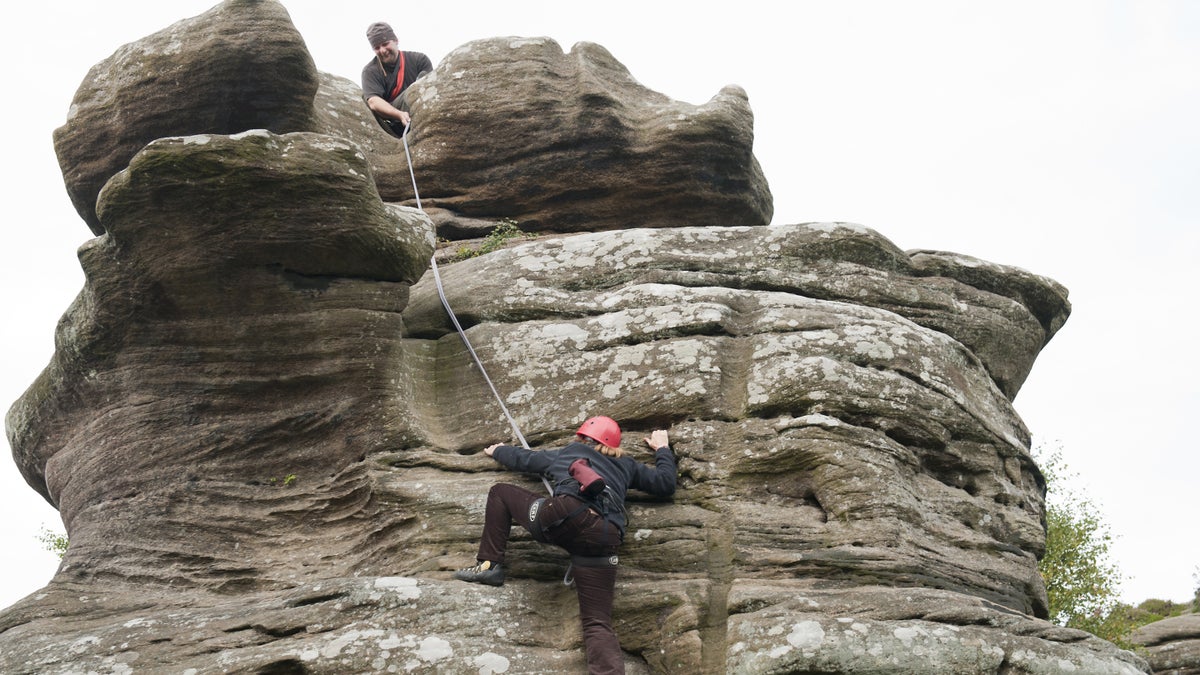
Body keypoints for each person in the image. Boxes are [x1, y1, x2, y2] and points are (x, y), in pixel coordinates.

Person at [455, 416, 677, 674]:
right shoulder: (627, 466)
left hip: (563, 516)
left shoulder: (571, 451)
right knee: (597, 622)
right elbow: (665, 484)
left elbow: (527, 460)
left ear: (583, 437)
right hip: (604, 536)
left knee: (500, 492)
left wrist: (499, 450)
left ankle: (488, 565)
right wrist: (662, 448)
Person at [360, 22, 433, 137]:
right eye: (377, 47)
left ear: (396, 40)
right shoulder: (370, 71)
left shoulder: (419, 60)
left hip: (423, 109)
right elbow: (374, 102)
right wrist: (399, 114)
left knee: (424, 77)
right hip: (393, 122)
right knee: (366, 96)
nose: (383, 50)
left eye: (385, 44)